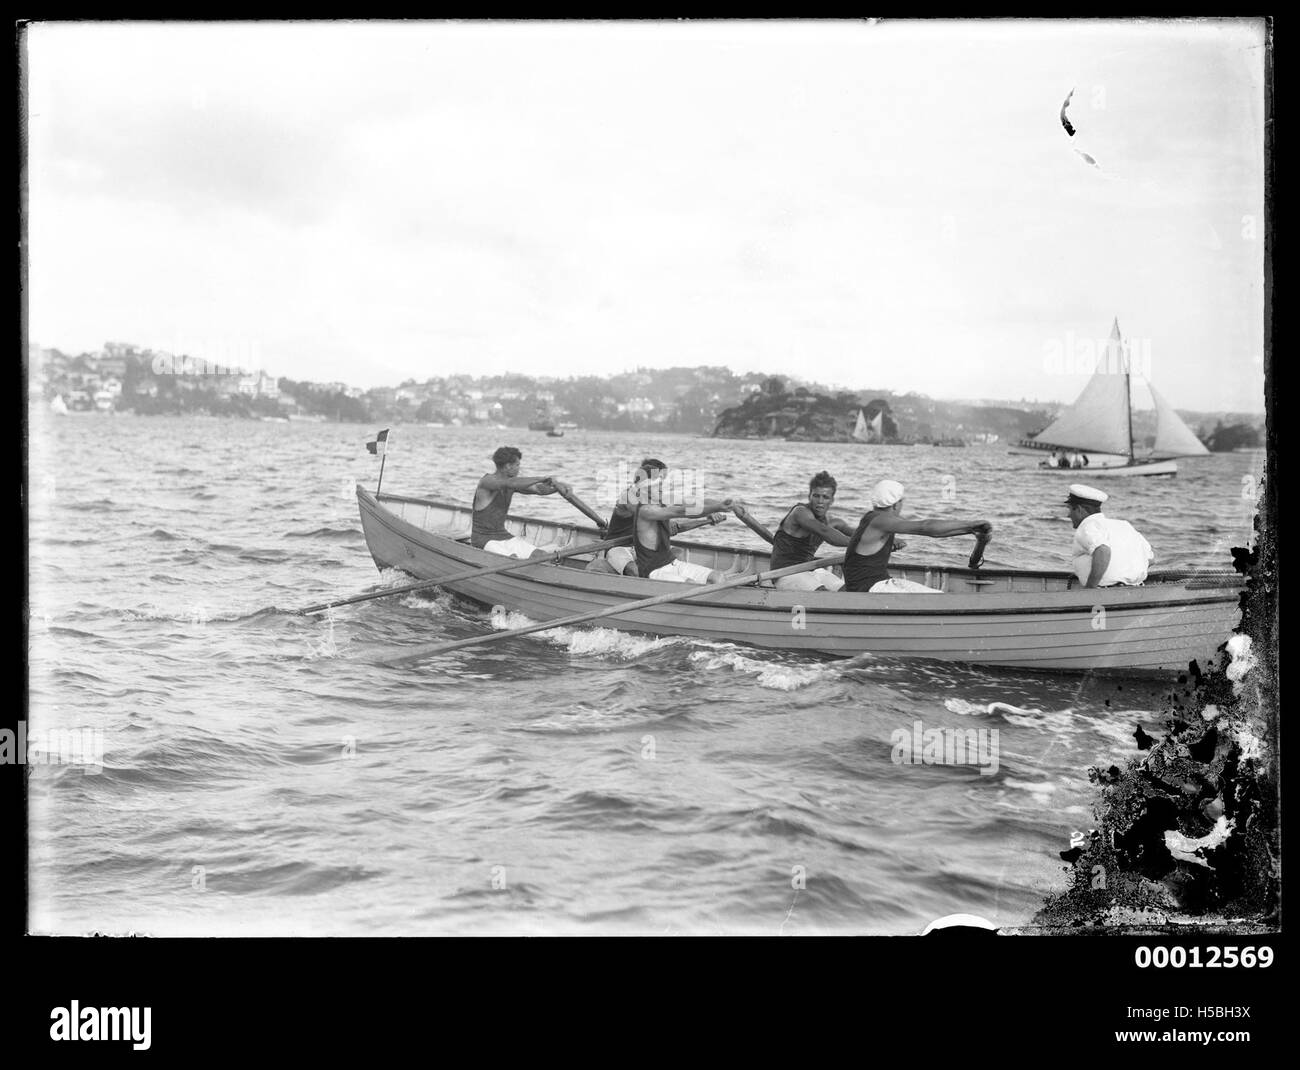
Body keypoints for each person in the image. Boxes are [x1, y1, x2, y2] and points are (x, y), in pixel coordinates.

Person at [842, 480, 992, 593]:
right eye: (901, 502)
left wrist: (970, 530)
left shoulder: (873, 519)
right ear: (895, 505)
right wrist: (971, 524)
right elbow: (926, 527)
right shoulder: (881, 520)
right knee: (941, 602)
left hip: (876, 583)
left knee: (939, 596)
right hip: (869, 589)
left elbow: (929, 529)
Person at [603, 459, 727, 576]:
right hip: (619, 547)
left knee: (678, 554)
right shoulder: (628, 496)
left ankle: (673, 583)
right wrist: (667, 519)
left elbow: (691, 503)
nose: (663, 483)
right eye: (660, 479)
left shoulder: (657, 496)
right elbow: (646, 513)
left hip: (644, 550)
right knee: (634, 571)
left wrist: (715, 508)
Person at [471, 446, 573, 559]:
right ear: (508, 466)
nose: (519, 468)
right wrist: (541, 478)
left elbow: (539, 489)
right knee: (513, 559)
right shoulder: (487, 481)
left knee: (541, 556)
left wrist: (560, 487)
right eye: (517, 465)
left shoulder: (513, 483)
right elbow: (511, 483)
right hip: (483, 539)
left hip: (503, 536)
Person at [633, 480, 740, 584]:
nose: (661, 489)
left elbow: (698, 502)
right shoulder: (645, 510)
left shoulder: (663, 501)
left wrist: (725, 505)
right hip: (654, 571)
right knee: (690, 584)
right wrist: (716, 508)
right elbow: (680, 511)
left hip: (672, 563)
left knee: (718, 577)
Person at [769, 471, 857, 591]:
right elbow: (825, 532)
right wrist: (858, 544)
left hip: (809, 571)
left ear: (832, 500)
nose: (820, 501)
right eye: (816, 496)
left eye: (825, 497)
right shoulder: (800, 513)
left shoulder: (832, 522)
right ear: (809, 496)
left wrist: (885, 539)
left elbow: (861, 533)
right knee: (825, 596)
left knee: (850, 590)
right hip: (785, 574)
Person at [1065, 484, 1154, 587]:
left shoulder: (1087, 526)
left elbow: (1103, 550)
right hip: (1137, 590)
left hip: (1105, 594)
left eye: (1070, 509)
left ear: (1079, 509)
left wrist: (1090, 589)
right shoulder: (1124, 525)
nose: (1068, 515)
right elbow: (1150, 559)